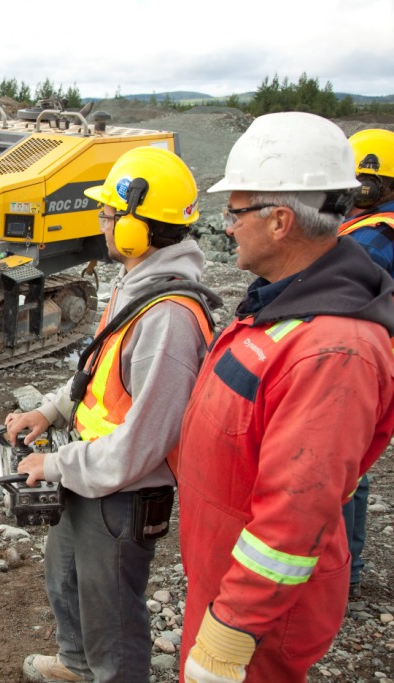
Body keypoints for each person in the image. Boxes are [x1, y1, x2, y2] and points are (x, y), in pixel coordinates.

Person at [176, 112, 394, 682]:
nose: (226, 226)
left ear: (278, 221)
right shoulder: (279, 305)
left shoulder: (333, 351)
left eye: (235, 211)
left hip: (262, 622)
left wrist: (229, 635)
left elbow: (293, 520)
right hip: (223, 578)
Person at [5, 145, 219, 683]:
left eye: (107, 214)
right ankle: (77, 665)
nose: (101, 223)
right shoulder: (136, 281)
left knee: (113, 615)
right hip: (89, 473)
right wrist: (52, 411)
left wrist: (54, 466)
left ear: (135, 228)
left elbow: (146, 441)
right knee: (66, 578)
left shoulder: (169, 316)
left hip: (121, 492)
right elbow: (100, 366)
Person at [337, 128, 394, 600]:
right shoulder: (380, 230)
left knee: (339, 469)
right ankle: (348, 571)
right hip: (379, 361)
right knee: (353, 467)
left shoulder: (371, 242)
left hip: (361, 367)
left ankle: (339, 575)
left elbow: (336, 297)